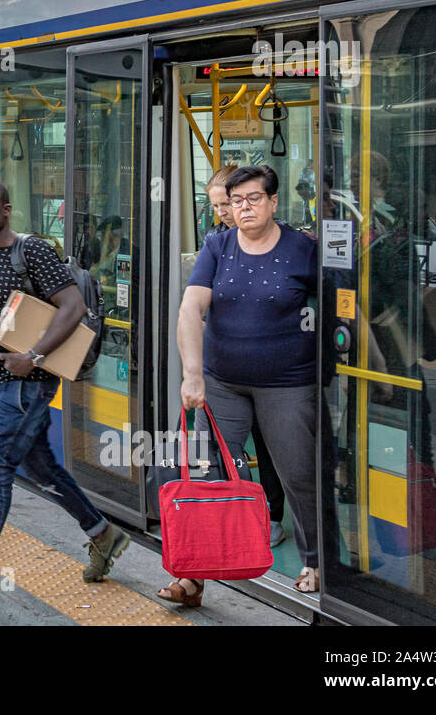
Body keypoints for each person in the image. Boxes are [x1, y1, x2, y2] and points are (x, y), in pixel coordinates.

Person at [0, 179, 128, 608]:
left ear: (6, 209)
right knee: (41, 468)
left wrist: (34, 357)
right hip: (3, 380)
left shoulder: (33, 251)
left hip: (31, 383)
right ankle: (102, 533)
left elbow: (73, 309)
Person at [161, 164, 319, 607]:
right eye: (236, 201)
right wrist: (193, 374)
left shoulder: (302, 250)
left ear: (272, 201)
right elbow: (191, 310)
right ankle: (193, 576)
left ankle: (315, 560)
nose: (243, 207)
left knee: (298, 476)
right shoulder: (219, 245)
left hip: (288, 384)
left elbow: (339, 303)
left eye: (252, 198)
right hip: (223, 384)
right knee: (209, 475)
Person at [200, 164, 287, 547]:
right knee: (223, 447)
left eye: (227, 203)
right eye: (218, 205)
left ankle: (271, 514)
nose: (223, 211)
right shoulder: (215, 242)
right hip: (224, 365)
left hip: (268, 370)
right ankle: (236, 512)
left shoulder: (277, 243)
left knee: (267, 447)